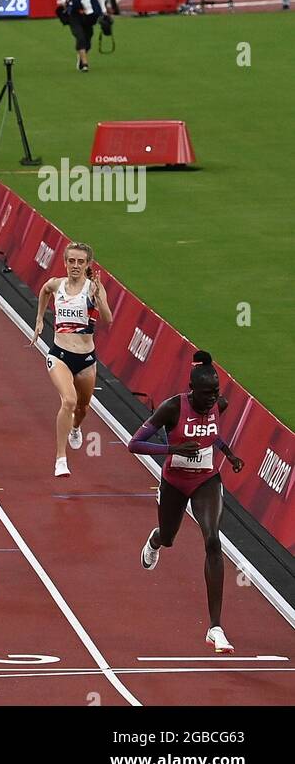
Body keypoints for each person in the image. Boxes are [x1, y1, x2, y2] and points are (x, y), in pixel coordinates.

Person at [129, 351, 244, 654]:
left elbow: (212, 434)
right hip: (175, 482)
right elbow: (134, 444)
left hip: (206, 480)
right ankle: (155, 540)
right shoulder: (172, 408)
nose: (212, 399)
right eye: (206, 394)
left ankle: (215, 628)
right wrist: (173, 450)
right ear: (192, 389)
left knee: (213, 541)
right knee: (169, 537)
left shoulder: (218, 405)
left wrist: (229, 454)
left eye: (215, 393)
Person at [30, 242, 113, 478]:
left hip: (86, 359)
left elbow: (108, 319)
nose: (75, 265)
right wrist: (39, 319)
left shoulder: (93, 288)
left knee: (82, 407)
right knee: (68, 400)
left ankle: (75, 427)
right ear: (65, 262)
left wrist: (99, 299)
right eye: (71, 261)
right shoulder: (57, 284)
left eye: (80, 262)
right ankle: (60, 459)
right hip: (59, 355)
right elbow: (44, 290)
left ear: (88, 264)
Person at [60, 0, 101, 72]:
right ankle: (85, 63)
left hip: (88, 13)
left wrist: (103, 9)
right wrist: (63, 1)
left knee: (88, 37)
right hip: (74, 13)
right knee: (80, 36)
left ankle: (82, 56)